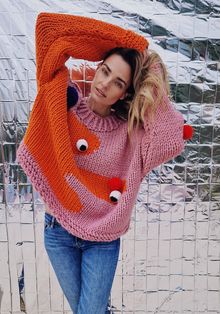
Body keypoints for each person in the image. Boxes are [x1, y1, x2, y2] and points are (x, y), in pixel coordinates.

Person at [17, 12, 190, 314]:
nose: (106, 83)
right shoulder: (64, 101)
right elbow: (47, 29)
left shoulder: (131, 135)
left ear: (127, 92)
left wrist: (146, 62)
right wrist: (123, 40)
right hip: (59, 232)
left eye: (119, 82)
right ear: (97, 67)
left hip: (102, 241)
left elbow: (172, 135)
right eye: (106, 70)